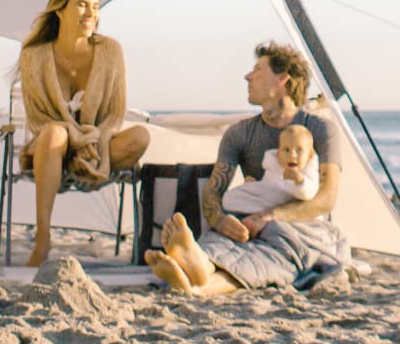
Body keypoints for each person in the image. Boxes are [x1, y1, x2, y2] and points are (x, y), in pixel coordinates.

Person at [147, 43, 349, 296]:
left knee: (274, 257)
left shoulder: (320, 129)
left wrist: (269, 217)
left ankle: (197, 280)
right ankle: (199, 270)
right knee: (221, 242)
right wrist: (221, 220)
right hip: (246, 225)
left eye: (257, 69)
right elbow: (213, 193)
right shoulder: (239, 134)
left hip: (296, 228)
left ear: (282, 77)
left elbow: (326, 199)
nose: (247, 76)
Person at [16, 0, 151, 266]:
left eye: (96, 6)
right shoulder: (34, 55)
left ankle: (84, 164)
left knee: (141, 136)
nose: (91, 14)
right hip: (51, 148)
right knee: (55, 134)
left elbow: (115, 114)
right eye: (81, 5)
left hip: (96, 147)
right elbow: (38, 118)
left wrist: (97, 140)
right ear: (60, 9)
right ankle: (43, 237)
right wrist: (77, 142)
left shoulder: (111, 51)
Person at [221, 124, 320, 216]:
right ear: (278, 153)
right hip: (267, 200)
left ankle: (256, 214)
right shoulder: (274, 164)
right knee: (229, 197)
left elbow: (309, 193)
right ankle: (252, 213)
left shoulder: (308, 171)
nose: (292, 155)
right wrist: (252, 185)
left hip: (288, 206)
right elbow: (267, 185)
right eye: (286, 150)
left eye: (299, 150)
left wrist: (299, 181)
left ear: (310, 155)